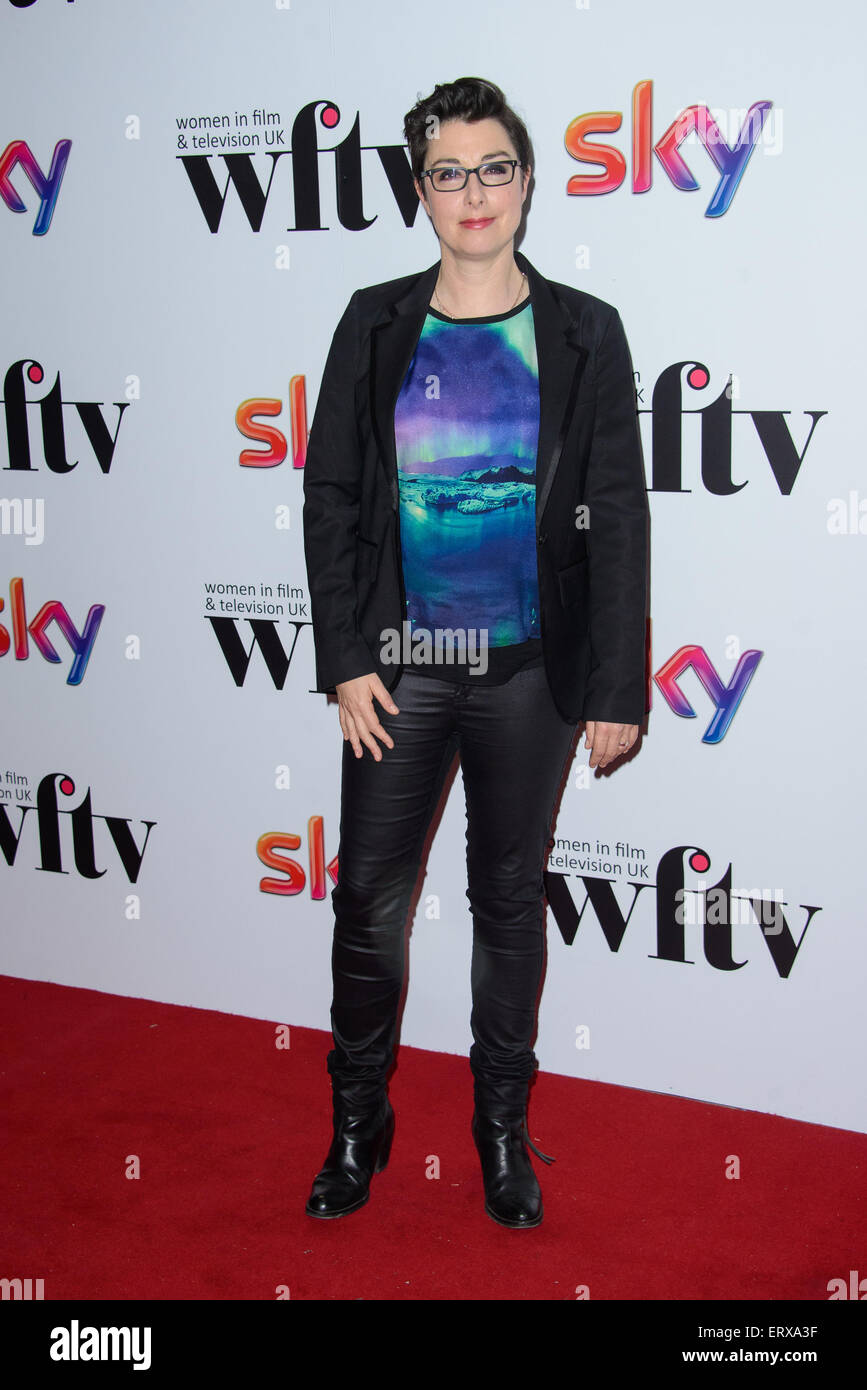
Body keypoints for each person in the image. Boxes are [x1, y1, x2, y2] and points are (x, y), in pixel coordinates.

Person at [301, 77, 649, 1228]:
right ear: (421, 192)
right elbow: (334, 495)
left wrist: (613, 684)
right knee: (367, 902)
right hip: (400, 668)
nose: (474, 191)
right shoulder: (375, 319)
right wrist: (347, 654)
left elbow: (616, 510)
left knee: (506, 902)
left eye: (493, 166)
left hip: (529, 675)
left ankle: (501, 1127)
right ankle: (359, 1118)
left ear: (528, 178)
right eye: (448, 171)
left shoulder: (585, 331)